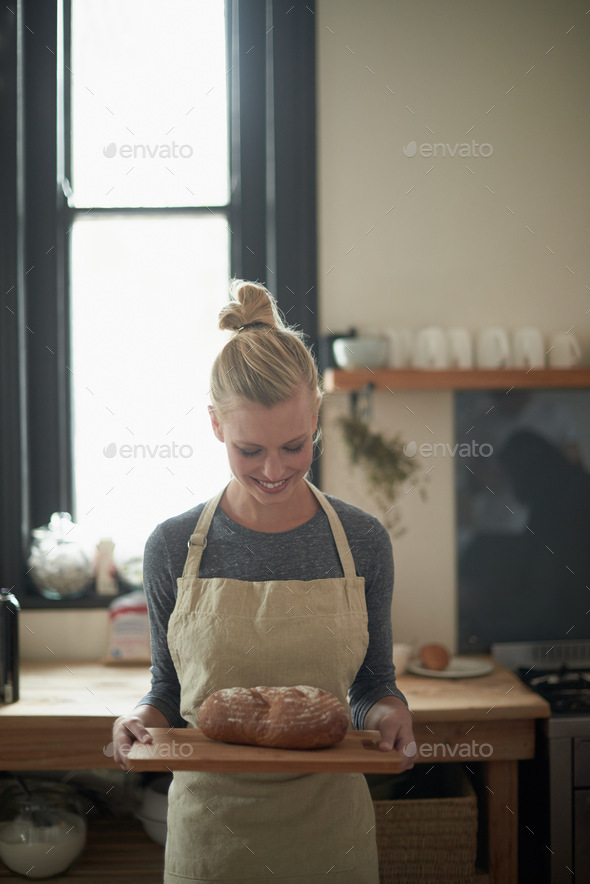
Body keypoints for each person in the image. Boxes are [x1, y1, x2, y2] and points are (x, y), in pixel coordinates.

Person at [112, 280, 416, 883]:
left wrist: (387, 716)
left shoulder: (362, 543)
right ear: (216, 427)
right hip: (211, 840)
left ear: (316, 418)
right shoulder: (172, 547)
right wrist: (141, 719)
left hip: (329, 838)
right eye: (250, 450)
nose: (274, 470)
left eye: (294, 446)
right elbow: (168, 691)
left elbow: (372, 683)